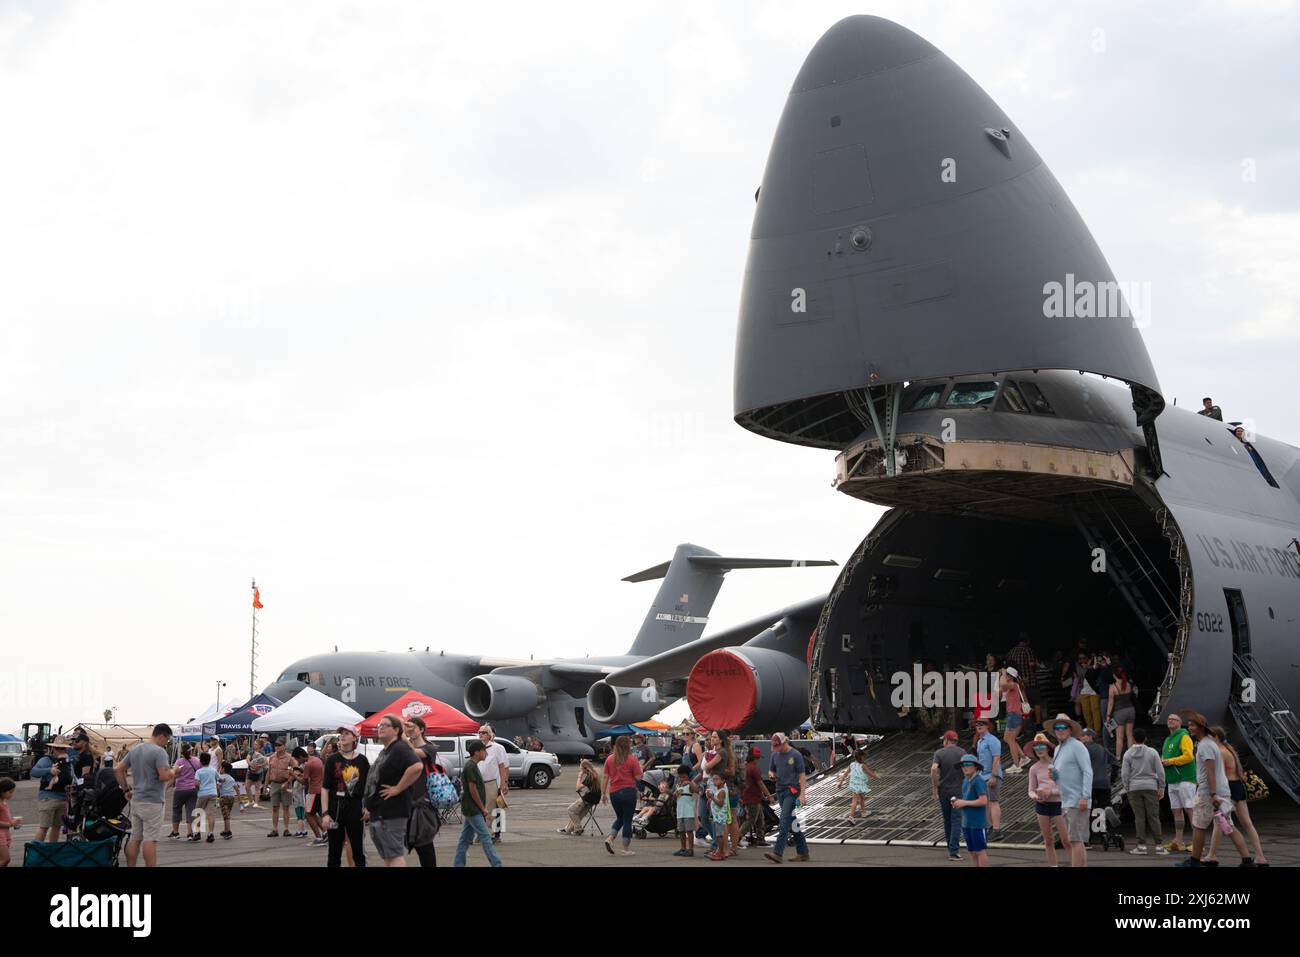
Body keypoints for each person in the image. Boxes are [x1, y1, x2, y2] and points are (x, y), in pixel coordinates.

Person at [1175, 711, 1254, 867]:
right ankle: (1246, 860)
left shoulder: (1205, 745)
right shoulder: (1210, 743)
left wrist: (1212, 794)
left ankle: (1194, 861)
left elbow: (1210, 771)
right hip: (1221, 791)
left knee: (1198, 826)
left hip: (1208, 793)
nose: (1189, 727)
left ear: (1200, 727)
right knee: (1228, 826)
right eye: (1189, 724)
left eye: (1192, 725)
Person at [1203, 727, 1269, 866]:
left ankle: (1212, 855)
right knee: (1246, 823)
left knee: (1219, 822)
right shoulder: (1229, 750)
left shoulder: (1219, 752)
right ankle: (1260, 856)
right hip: (1237, 785)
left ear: (1216, 737)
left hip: (1228, 787)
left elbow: (1212, 772)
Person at [363, 714, 422, 867]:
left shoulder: (399, 748)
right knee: (389, 857)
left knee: (394, 856)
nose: (380, 727)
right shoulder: (387, 751)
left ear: (396, 730)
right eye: (379, 725)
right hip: (381, 812)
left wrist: (398, 788)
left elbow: (417, 766)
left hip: (392, 812)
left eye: (385, 725)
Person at [115, 724, 176, 867]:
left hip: (136, 800)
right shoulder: (159, 752)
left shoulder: (136, 749)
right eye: (167, 740)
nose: (166, 743)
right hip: (153, 802)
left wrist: (125, 790)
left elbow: (118, 770)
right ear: (162, 736)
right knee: (150, 839)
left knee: (135, 837)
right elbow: (164, 775)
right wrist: (174, 771)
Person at [321, 725, 369, 868]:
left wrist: (368, 807)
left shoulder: (362, 760)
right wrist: (325, 813)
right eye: (341, 733)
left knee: (357, 850)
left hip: (355, 807)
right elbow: (325, 788)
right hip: (335, 807)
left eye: (347, 733)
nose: (343, 736)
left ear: (354, 737)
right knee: (334, 851)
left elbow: (368, 787)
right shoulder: (332, 760)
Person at [1050, 713, 1092, 868]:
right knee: (1074, 840)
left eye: (1063, 727)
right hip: (1066, 800)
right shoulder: (1058, 749)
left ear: (1070, 729)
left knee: (1075, 840)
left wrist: (1085, 796)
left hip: (1076, 800)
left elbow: (1088, 771)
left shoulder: (1077, 745)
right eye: (1057, 727)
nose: (1060, 730)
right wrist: (1054, 775)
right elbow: (1059, 776)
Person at [454, 740, 503, 867]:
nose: (486, 753)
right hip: (473, 809)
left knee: (464, 840)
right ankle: (497, 864)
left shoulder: (472, 765)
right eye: (483, 750)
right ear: (477, 752)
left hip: (471, 809)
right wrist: (482, 808)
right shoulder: (470, 766)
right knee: (486, 837)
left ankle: (458, 864)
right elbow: (472, 789)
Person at [763, 732, 810, 864]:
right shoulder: (775, 755)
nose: (776, 748)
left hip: (792, 791)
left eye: (777, 746)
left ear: (784, 743)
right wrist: (771, 774)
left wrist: (802, 794)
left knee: (784, 821)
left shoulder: (795, 755)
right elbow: (771, 770)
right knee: (792, 821)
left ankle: (778, 853)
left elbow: (802, 775)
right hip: (780, 790)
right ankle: (803, 852)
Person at [1121, 727, 1166, 856]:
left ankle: (1141, 846)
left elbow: (1124, 774)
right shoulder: (1152, 752)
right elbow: (1160, 771)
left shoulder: (1128, 754)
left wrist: (1128, 788)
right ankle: (1159, 845)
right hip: (1151, 786)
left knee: (1139, 817)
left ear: (1133, 739)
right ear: (1145, 739)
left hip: (1134, 787)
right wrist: (1161, 787)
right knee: (1154, 816)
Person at [403, 716, 441, 866]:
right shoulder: (405, 747)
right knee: (415, 843)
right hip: (408, 801)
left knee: (424, 844)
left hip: (424, 802)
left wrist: (403, 736)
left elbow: (416, 753)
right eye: (407, 727)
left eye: (412, 727)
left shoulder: (429, 748)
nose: (409, 730)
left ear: (422, 730)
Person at [1026, 734, 1069, 866]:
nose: (1039, 749)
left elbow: (1066, 788)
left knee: (1066, 840)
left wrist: (1050, 792)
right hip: (1042, 805)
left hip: (1058, 804)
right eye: (1036, 747)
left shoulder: (1058, 764)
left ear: (1048, 748)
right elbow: (1031, 790)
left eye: (1042, 746)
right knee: (1048, 840)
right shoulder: (1034, 768)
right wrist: (1036, 796)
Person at [601, 734, 643, 856]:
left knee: (620, 817)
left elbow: (605, 777)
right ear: (628, 746)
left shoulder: (609, 759)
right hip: (628, 791)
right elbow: (638, 777)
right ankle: (625, 848)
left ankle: (610, 838)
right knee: (627, 819)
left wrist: (603, 793)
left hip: (614, 792)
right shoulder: (632, 759)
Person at [1160, 712, 1197, 852]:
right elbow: (1164, 757)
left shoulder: (1184, 736)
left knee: (1190, 809)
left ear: (1180, 723)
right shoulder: (1167, 740)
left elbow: (1189, 757)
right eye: (1168, 719)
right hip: (1173, 780)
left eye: (1173, 719)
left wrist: (1171, 761)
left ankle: (1196, 841)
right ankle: (1179, 841)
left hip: (1185, 779)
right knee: (1176, 810)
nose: (1170, 720)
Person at [931, 730, 966, 861]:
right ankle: (954, 851)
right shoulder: (962, 752)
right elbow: (966, 769)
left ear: (946, 740)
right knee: (956, 820)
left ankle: (950, 848)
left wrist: (935, 787)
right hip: (958, 790)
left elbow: (934, 769)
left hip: (943, 790)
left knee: (947, 820)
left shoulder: (939, 753)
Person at [32, 735, 73, 843]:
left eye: (62, 748)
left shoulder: (68, 761)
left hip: (63, 798)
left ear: (66, 749)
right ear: (53, 748)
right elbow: (34, 772)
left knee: (57, 826)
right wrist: (49, 770)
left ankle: (51, 851)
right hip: (48, 797)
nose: (59, 750)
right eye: (57, 748)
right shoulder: (46, 759)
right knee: (44, 826)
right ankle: (36, 852)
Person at [951, 754, 989, 867]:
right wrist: (958, 802)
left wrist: (964, 803)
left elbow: (983, 801)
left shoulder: (979, 781)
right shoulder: (966, 781)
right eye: (963, 765)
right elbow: (967, 799)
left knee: (980, 851)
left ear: (975, 766)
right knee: (972, 851)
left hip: (977, 823)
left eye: (968, 764)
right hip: (967, 822)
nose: (965, 767)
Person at [476, 724, 509, 843]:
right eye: (479, 732)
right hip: (480, 783)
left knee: (497, 808)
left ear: (490, 735)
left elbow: (504, 766)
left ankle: (496, 834)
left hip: (493, 782)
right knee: (481, 808)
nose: (480, 734)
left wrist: (504, 783)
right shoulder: (478, 747)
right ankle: (483, 832)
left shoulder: (497, 748)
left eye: (483, 732)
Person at [973, 718, 1003, 838]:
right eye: (977, 724)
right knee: (986, 802)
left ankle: (997, 829)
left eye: (982, 724)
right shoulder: (980, 741)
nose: (979, 726)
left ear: (988, 726)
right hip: (982, 775)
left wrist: (993, 775)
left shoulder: (992, 740)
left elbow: (996, 758)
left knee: (993, 801)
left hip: (991, 775)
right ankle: (991, 827)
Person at [1080, 728, 1114, 831]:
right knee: (1101, 809)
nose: (1080, 738)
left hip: (1089, 785)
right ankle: (1101, 833)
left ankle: (1087, 837)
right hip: (1104, 784)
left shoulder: (1082, 749)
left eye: (1083, 735)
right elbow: (1116, 762)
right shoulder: (1101, 748)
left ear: (1090, 737)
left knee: (1087, 810)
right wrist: (1112, 778)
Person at [558, 759, 601, 835]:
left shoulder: (589, 777)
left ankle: (578, 829)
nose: (580, 770)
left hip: (589, 798)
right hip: (594, 798)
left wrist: (579, 776)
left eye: (581, 768)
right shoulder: (594, 774)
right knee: (578, 813)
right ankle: (568, 829)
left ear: (585, 768)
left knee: (571, 810)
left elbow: (578, 787)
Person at [292, 746, 326, 845]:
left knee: (308, 814)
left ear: (300, 756)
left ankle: (318, 838)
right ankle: (325, 832)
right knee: (313, 813)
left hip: (313, 791)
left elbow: (303, 782)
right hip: (321, 790)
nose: (297, 761)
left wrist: (293, 775)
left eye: (297, 759)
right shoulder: (316, 759)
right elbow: (311, 776)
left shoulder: (308, 765)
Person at [265, 739, 297, 837]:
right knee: (274, 807)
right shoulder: (272, 757)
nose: (277, 747)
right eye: (275, 745)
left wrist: (288, 782)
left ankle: (286, 829)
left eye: (279, 745)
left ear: (284, 746)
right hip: (274, 784)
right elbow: (268, 772)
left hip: (285, 783)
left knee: (286, 807)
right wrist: (265, 786)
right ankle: (275, 829)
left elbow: (295, 771)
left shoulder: (289, 758)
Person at [170, 744, 201, 841]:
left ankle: (175, 832)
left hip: (180, 789)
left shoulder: (179, 762)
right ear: (191, 751)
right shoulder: (197, 760)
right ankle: (190, 833)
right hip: (192, 789)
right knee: (190, 811)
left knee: (176, 810)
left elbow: (174, 774)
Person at [838, 748, 880, 819]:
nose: (864, 758)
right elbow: (871, 773)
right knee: (855, 800)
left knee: (862, 798)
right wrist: (877, 777)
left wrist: (840, 782)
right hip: (859, 785)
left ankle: (863, 812)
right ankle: (851, 817)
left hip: (854, 784)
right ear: (861, 757)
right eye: (863, 757)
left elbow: (845, 774)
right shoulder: (862, 765)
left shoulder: (852, 764)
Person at [740, 746, 769, 847]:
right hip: (752, 798)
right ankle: (737, 837)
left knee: (760, 819)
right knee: (751, 819)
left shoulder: (745, 767)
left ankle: (761, 838)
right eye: (758, 758)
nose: (758, 760)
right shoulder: (754, 769)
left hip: (749, 797)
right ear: (754, 758)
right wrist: (769, 796)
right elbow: (760, 784)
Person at [1106, 667, 1138, 760]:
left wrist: (1108, 716)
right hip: (1131, 710)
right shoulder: (1128, 684)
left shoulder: (1113, 687)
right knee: (1129, 735)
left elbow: (1111, 703)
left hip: (1119, 712)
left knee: (1119, 737)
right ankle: (1131, 756)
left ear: (1114, 675)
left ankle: (1118, 757)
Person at [1001, 668, 1029, 771]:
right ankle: (1023, 757)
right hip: (1014, 715)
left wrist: (1003, 674)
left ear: (1011, 676)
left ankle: (1017, 766)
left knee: (1010, 739)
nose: (1005, 676)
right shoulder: (1015, 685)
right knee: (1007, 738)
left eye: (1007, 675)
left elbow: (1003, 685)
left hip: (1013, 715)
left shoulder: (1012, 684)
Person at [673, 763, 698, 857]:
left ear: (688, 776)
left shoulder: (690, 785)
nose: (682, 779)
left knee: (689, 831)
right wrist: (676, 793)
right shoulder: (678, 785)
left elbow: (696, 790)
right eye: (680, 777)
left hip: (688, 812)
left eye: (684, 777)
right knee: (681, 831)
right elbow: (674, 797)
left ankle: (690, 849)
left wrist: (690, 782)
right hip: (680, 812)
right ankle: (683, 848)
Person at [194, 752, 219, 843]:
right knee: (210, 814)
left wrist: (198, 788)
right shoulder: (213, 770)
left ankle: (197, 833)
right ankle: (210, 833)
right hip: (213, 793)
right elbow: (219, 779)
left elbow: (196, 783)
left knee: (198, 812)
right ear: (209, 761)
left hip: (202, 793)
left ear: (200, 761)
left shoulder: (199, 771)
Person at [705, 771, 730, 861]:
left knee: (720, 836)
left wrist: (712, 797)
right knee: (718, 835)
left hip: (720, 817)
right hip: (717, 817)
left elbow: (720, 803)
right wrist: (710, 801)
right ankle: (719, 851)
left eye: (717, 779)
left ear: (723, 780)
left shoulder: (722, 791)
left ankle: (721, 852)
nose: (715, 781)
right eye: (714, 779)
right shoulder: (718, 791)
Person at [216, 761, 237, 840]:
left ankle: (228, 832)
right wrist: (239, 798)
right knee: (227, 814)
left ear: (223, 769)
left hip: (224, 797)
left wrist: (215, 794)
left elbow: (218, 787)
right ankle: (225, 830)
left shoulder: (221, 777)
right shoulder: (231, 778)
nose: (220, 769)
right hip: (231, 797)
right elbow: (236, 788)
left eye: (221, 768)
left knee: (226, 816)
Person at [244, 740, 268, 810]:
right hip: (250, 771)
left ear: (260, 746)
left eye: (256, 744)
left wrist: (259, 766)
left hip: (259, 772)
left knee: (257, 787)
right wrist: (251, 764)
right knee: (246, 786)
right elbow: (247, 759)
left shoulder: (262, 752)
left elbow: (266, 762)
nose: (254, 745)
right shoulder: (251, 751)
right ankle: (251, 801)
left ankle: (256, 802)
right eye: (254, 744)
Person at [0, 777, 16, 867]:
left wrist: (12, 821)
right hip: (0, 834)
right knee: (5, 859)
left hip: (6, 833)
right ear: (2, 791)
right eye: (10, 792)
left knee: (2, 859)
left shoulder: (4, 802)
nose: (12, 794)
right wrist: (10, 824)